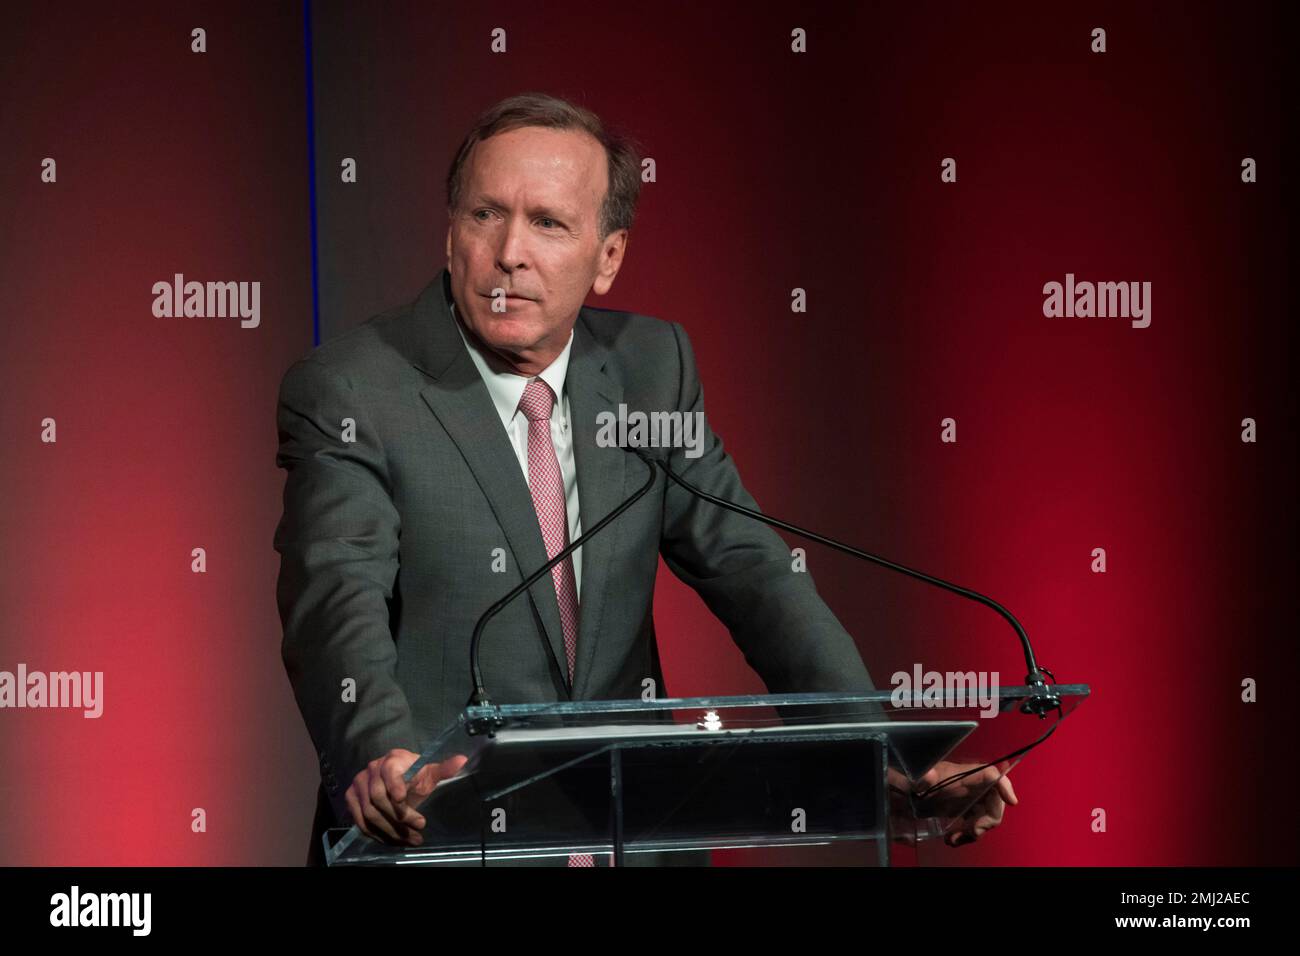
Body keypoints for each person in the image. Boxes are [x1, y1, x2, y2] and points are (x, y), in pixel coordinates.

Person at [273, 92, 1016, 867]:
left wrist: (887, 755)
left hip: (628, 838)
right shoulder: (355, 388)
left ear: (609, 257)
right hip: (439, 839)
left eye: (549, 223)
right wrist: (380, 757)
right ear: (450, 234)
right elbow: (334, 600)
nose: (510, 253)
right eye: (485, 215)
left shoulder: (649, 371)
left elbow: (753, 571)